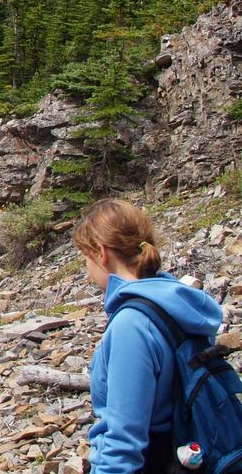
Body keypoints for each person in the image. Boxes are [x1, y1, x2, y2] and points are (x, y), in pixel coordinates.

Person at [76, 199, 223, 473]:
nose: (87, 274)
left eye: (85, 259)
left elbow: (123, 442)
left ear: (101, 253)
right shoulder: (174, 302)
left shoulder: (132, 324)